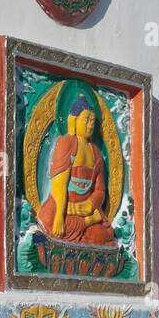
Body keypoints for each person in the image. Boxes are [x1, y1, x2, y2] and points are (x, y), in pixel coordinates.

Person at [37, 93, 114, 245]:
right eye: (86, 120)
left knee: (102, 235)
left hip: (85, 207)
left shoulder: (95, 151)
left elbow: (100, 190)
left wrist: (89, 204)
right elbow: (60, 184)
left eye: (92, 121)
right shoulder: (67, 143)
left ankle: (88, 224)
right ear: (74, 120)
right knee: (52, 227)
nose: (90, 125)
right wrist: (60, 216)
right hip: (62, 206)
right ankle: (87, 223)